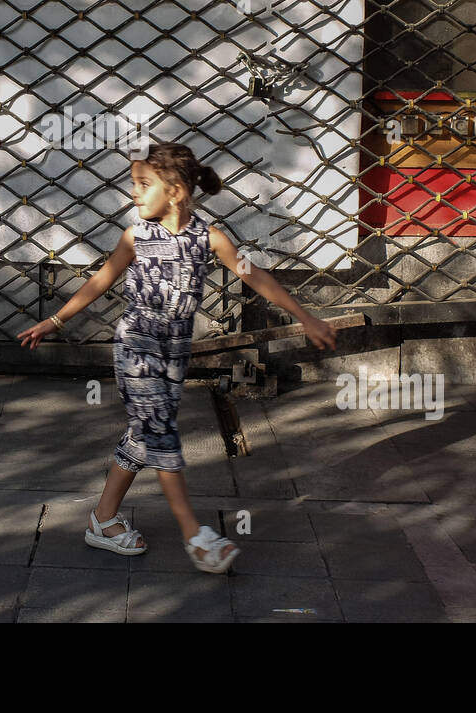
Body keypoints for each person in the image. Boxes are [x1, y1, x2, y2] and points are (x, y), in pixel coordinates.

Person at [17, 141, 337, 573]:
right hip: (136, 350)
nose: (133, 192)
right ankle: (194, 534)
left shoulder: (210, 238)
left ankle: (102, 519)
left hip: (173, 356)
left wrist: (307, 318)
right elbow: (100, 281)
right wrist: (53, 321)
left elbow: (256, 276)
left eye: (143, 184)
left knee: (144, 435)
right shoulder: (134, 236)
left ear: (175, 191)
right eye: (133, 184)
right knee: (162, 434)